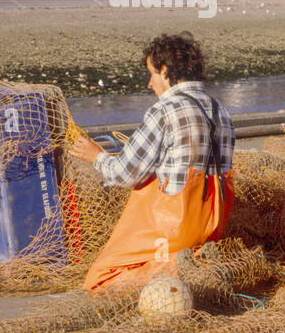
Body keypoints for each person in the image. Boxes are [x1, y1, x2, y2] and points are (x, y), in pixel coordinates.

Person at [71, 33, 235, 293]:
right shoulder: (219, 110)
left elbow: (124, 174)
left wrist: (96, 156)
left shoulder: (165, 110)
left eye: (152, 73)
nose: (149, 84)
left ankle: (174, 267)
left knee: (100, 279)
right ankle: (197, 258)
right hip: (211, 222)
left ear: (165, 70)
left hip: (171, 227)